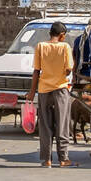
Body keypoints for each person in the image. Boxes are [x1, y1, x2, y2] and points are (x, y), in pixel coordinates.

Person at [25, 21, 76, 168]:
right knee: (62, 125)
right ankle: (63, 158)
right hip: (60, 89)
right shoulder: (65, 47)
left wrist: (31, 92)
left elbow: (36, 71)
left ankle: (46, 159)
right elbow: (69, 69)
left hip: (43, 90)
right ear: (61, 35)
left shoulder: (41, 46)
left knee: (45, 125)